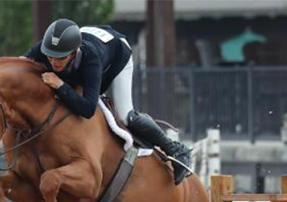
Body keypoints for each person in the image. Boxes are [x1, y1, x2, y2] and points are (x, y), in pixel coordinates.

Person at [23, 19, 192, 185]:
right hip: (94, 41)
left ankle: (176, 150)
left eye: (60, 58)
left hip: (118, 56)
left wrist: (60, 85)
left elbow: (88, 109)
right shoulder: (47, 48)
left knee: (126, 116)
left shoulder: (91, 59)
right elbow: (19, 65)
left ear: (75, 52)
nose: (53, 62)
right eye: (50, 57)